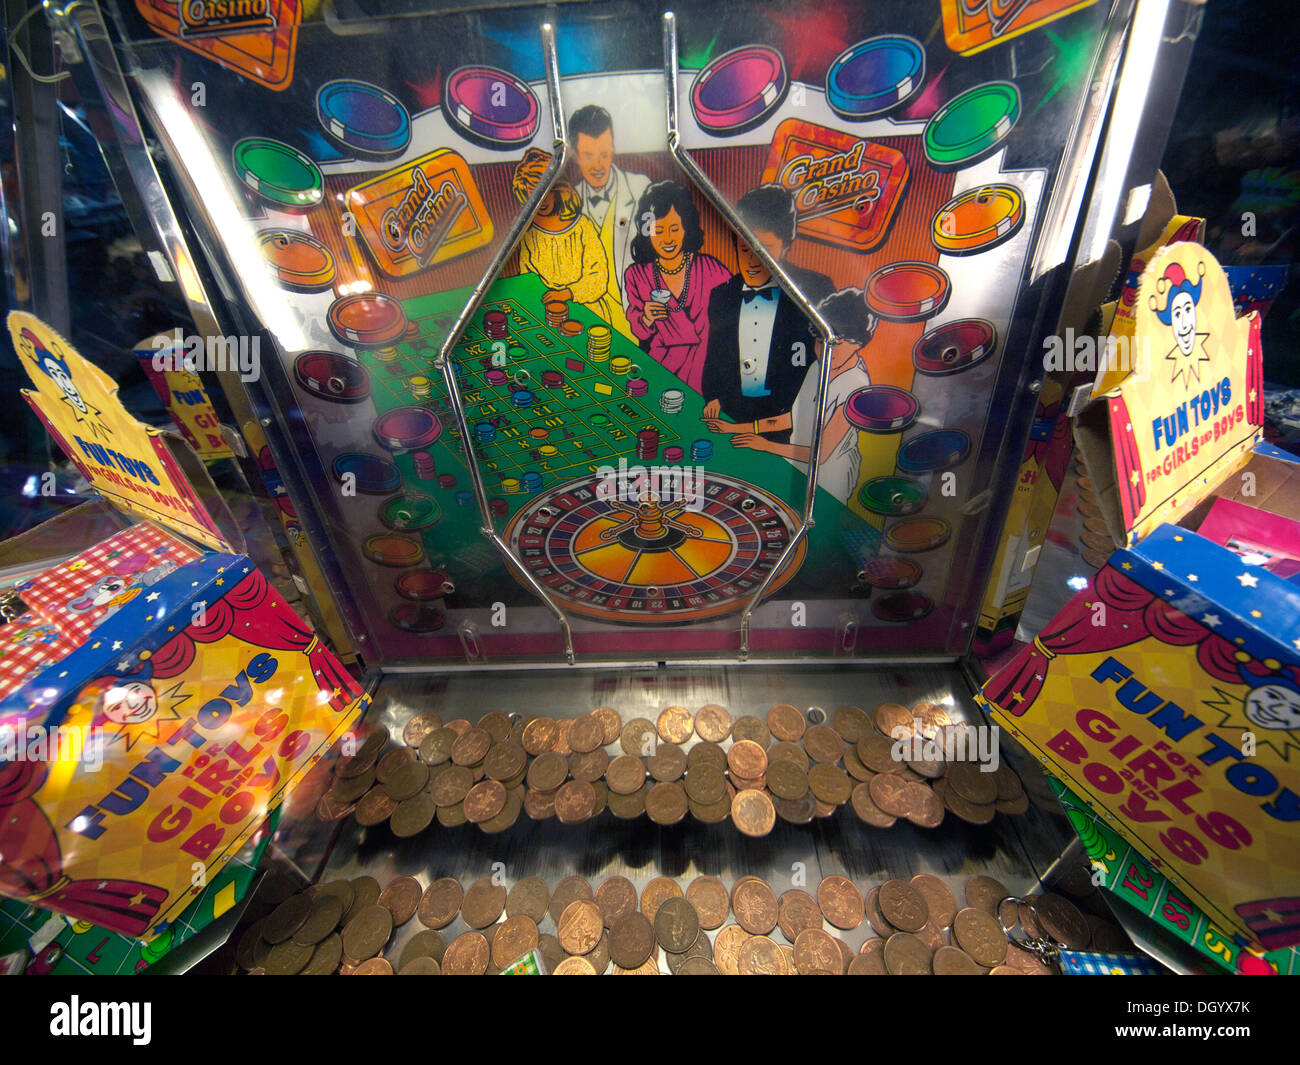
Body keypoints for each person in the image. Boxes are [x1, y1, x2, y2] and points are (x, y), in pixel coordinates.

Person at [709, 288, 875, 503]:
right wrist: (736, 428)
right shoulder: (818, 368)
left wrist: (766, 446)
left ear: (858, 342)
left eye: (837, 344)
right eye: (819, 341)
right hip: (795, 466)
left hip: (830, 479)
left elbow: (821, 454)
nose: (825, 350)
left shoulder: (855, 385)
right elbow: (792, 417)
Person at [700, 184, 833, 440]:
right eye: (744, 248)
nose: (752, 261)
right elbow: (715, 359)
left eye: (765, 249)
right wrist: (714, 397)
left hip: (792, 421)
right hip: (732, 415)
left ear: (786, 247)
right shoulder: (722, 295)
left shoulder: (817, 290)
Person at [624, 180, 730, 393]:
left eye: (674, 228)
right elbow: (639, 331)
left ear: (686, 228)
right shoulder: (636, 275)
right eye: (659, 230)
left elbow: (732, 322)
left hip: (706, 373)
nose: (667, 239)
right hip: (659, 370)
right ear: (647, 232)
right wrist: (647, 317)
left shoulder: (712, 270)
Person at [511, 149, 628, 335]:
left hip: (588, 314)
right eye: (531, 190)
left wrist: (566, 294)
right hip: (547, 314)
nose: (539, 198)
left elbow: (597, 279)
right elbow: (528, 279)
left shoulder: (582, 227)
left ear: (559, 188)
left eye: (545, 190)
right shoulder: (530, 233)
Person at [569, 105, 649, 341]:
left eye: (604, 154)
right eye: (588, 156)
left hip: (637, 320)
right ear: (574, 154)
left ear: (614, 148)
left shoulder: (642, 189)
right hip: (587, 325)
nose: (598, 166)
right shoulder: (567, 206)